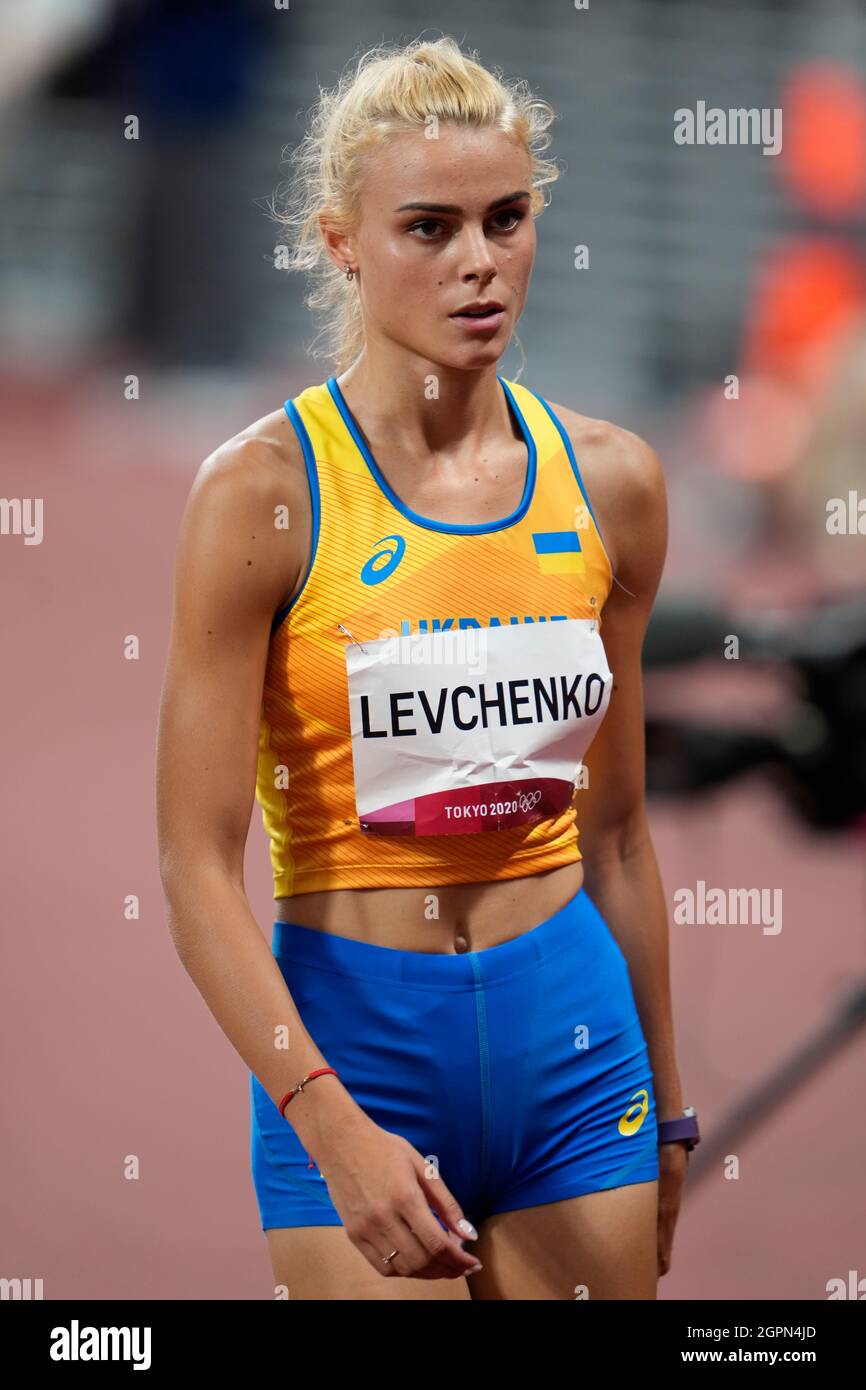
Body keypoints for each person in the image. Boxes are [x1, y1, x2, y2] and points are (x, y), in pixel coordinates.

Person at [157, 35, 694, 1302]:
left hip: (573, 1044)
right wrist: (328, 1128)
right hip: (358, 1055)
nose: (478, 263)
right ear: (341, 240)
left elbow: (614, 834)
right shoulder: (263, 495)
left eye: (505, 221)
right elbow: (190, 867)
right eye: (429, 227)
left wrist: (667, 1114)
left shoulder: (611, 482)